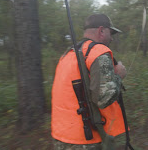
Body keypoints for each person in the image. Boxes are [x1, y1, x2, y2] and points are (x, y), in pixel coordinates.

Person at [51, 14, 127, 150]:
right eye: (111, 32)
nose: (112, 37)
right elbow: (103, 98)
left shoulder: (68, 54)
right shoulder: (98, 51)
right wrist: (119, 75)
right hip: (86, 140)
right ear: (101, 31)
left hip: (61, 137)